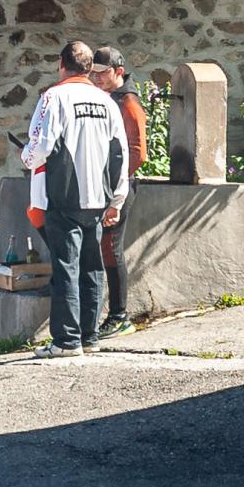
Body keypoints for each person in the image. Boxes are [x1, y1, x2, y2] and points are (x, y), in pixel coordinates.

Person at [22, 40, 128, 360]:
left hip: (63, 193)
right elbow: (120, 152)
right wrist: (117, 199)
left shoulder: (53, 97)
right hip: (99, 195)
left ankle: (67, 341)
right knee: (92, 267)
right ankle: (89, 336)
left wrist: (26, 157)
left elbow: (40, 145)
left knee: (66, 267)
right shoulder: (106, 101)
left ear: (60, 63)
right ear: (89, 67)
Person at [90, 46, 148, 337]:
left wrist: (115, 185)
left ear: (119, 72)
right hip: (107, 186)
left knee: (111, 250)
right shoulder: (110, 99)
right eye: (93, 73)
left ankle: (119, 316)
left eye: (103, 73)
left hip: (120, 188)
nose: (97, 78)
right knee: (105, 250)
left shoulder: (128, 103)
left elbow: (138, 153)